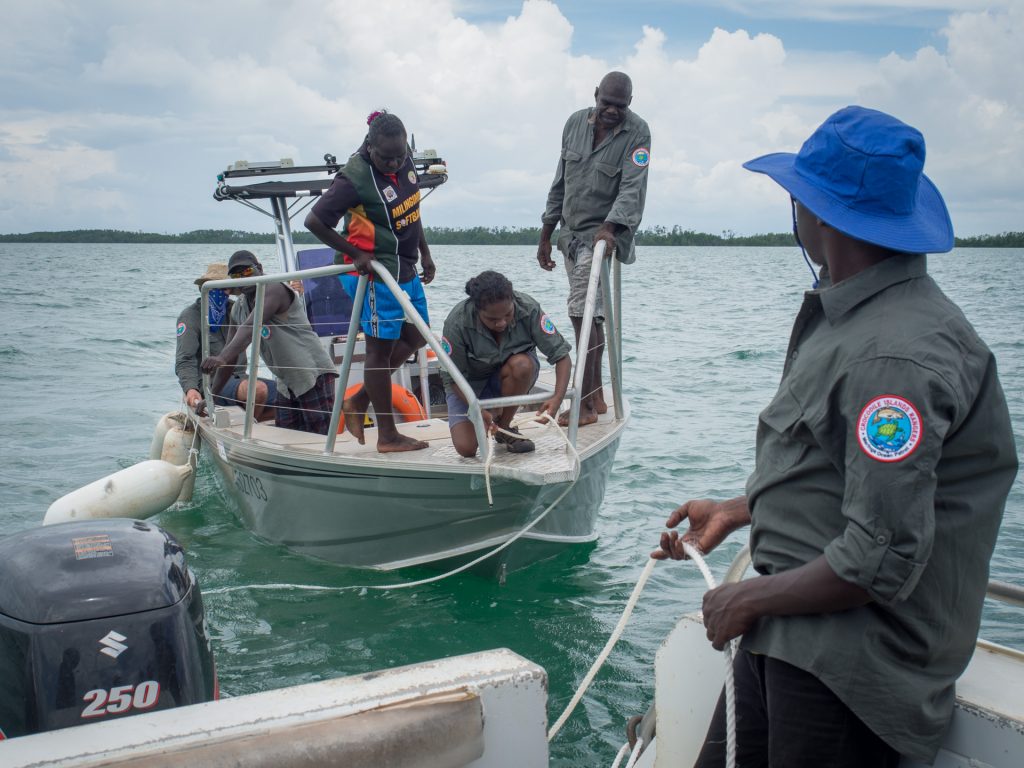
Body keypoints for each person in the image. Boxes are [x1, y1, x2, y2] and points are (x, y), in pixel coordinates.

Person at [652, 105, 1017, 767]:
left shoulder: (895, 362)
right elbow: (839, 469)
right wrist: (739, 512)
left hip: (848, 669)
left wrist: (747, 596)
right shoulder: (859, 315)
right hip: (791, 632)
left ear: (818, 217)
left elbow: (880, 556)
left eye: (799, 198)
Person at [305, 109, 435, 453]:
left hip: (403, 266)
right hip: (372, 271)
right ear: (369, 146)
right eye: (385, 157)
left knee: (418, 334)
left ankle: (359, 399)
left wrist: (425, 252)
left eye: (400, 156)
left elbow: (412, 211)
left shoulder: (404, 163)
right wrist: (355, 254)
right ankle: (388, 436)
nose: (393, 164)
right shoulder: (353, 178)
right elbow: (314, 221)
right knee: (379, 348)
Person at [537, 71, 650, 427]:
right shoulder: (574, 123)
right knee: (590, 316)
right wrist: (546, 231)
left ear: (629, 104)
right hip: (570, 236)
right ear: (596, 95)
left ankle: (585, 405)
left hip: (601, 238)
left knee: (582, 315)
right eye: (607, 103)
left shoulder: (638, 132)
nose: (612, 111)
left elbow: (633, 186)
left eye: (620, 106)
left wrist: (610, 227)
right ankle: (596, 397)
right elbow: (560, 180)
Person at [201, 250, 338, 435]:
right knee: (286, 437)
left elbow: (250, 327)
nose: (243, 278)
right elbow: (231, 354)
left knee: (320, 437)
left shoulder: (273, 288)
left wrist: (221, 357)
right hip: (286, 381)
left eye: (247, 272)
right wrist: (211, 396)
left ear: (259, 268)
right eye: (236, 275)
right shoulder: (239, 308)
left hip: (312, 375)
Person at [440, 271, 572, 457]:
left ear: (513, 301)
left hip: (511, 375)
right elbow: (452, 379)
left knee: (522, 365)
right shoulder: (457, 322)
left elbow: (562, 356)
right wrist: (477, 408)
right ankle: (493, 418)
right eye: (492, 319)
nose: (501, 323)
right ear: (477, 310)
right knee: (466, 449)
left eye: (508, 315)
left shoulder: (528, 308)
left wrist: (557, 397)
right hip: (468, 386)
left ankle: (504, 428)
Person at [175, 262, 276, 420]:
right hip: (210, 383)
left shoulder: (235, 309)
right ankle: (248, 430)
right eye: (215, 288)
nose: (220, 293)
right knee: (258, 390)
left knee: (288, 394)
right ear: (204, 288)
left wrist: (295, 291)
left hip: (239, 377)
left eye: (225, 288)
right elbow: (184, 359)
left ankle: (255, 422)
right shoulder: (190, 316)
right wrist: (190, 388)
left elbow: (264, 309)